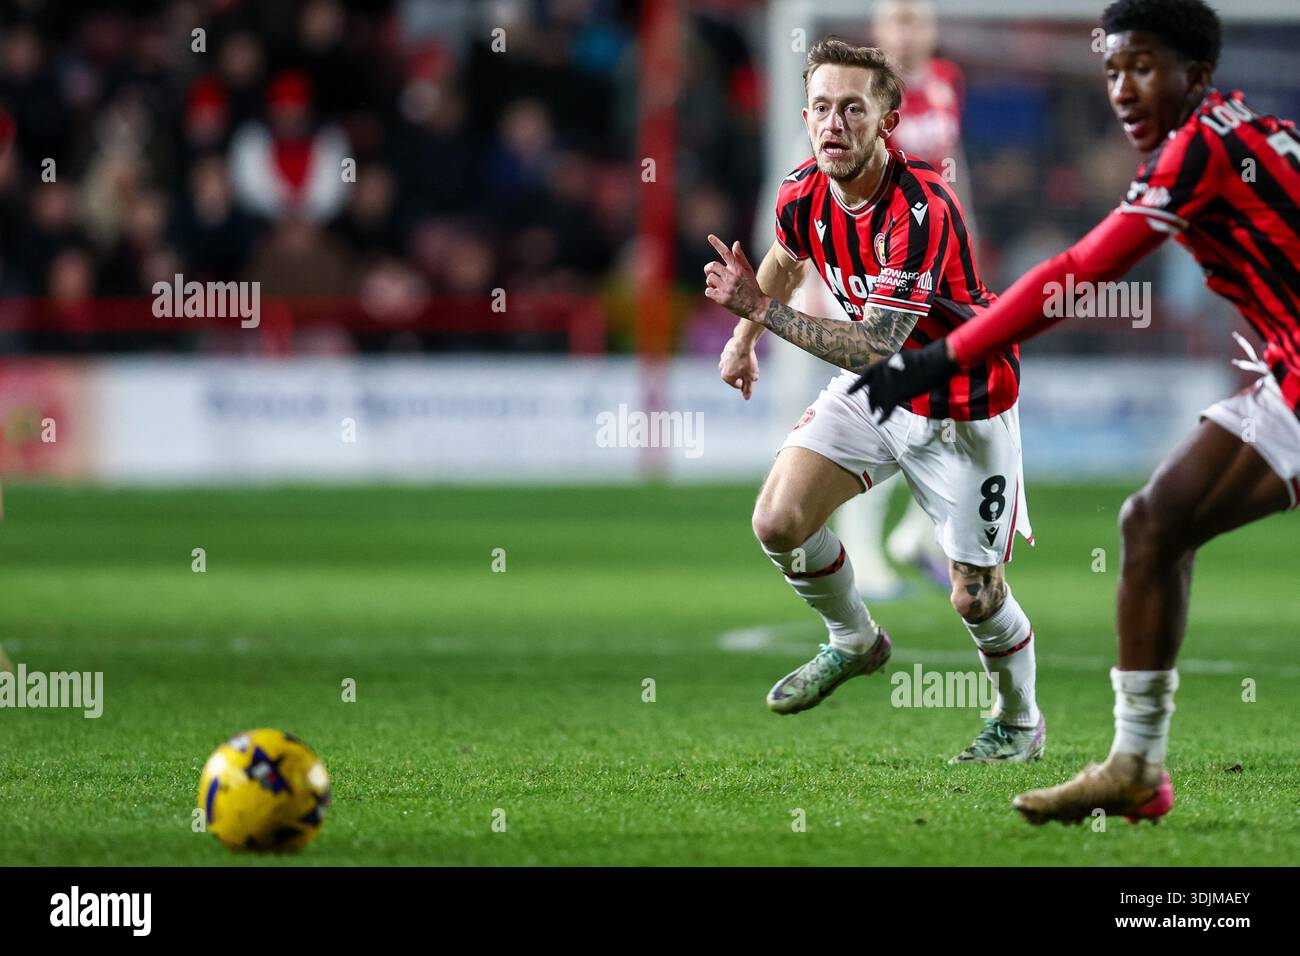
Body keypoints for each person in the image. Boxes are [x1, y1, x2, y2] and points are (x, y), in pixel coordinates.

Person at [849, 0, 1300, 820]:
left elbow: (1077, 270)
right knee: (1153, 524)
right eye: (1114, 69)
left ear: (1196, 76)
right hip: (1289, 377)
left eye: (1144, 68)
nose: (1123, 88)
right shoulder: (1243, 130)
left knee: (1156, 525)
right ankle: (1134, 767)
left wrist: (943, 356)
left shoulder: (1197, 151)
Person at [706, 38, 1042, 763]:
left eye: (853, 109)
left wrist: (760, 317)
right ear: (805, 116)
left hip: (964, 402)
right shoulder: (801, 191)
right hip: (879, 396)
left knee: (975, 598)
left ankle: (1019, 724)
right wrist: (742, 340)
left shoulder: (922, 211)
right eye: (822, 108)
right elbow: (784, 262)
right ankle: (854, 641)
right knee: (778, 521)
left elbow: (872, 344)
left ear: (888, 121)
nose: (834, 123)